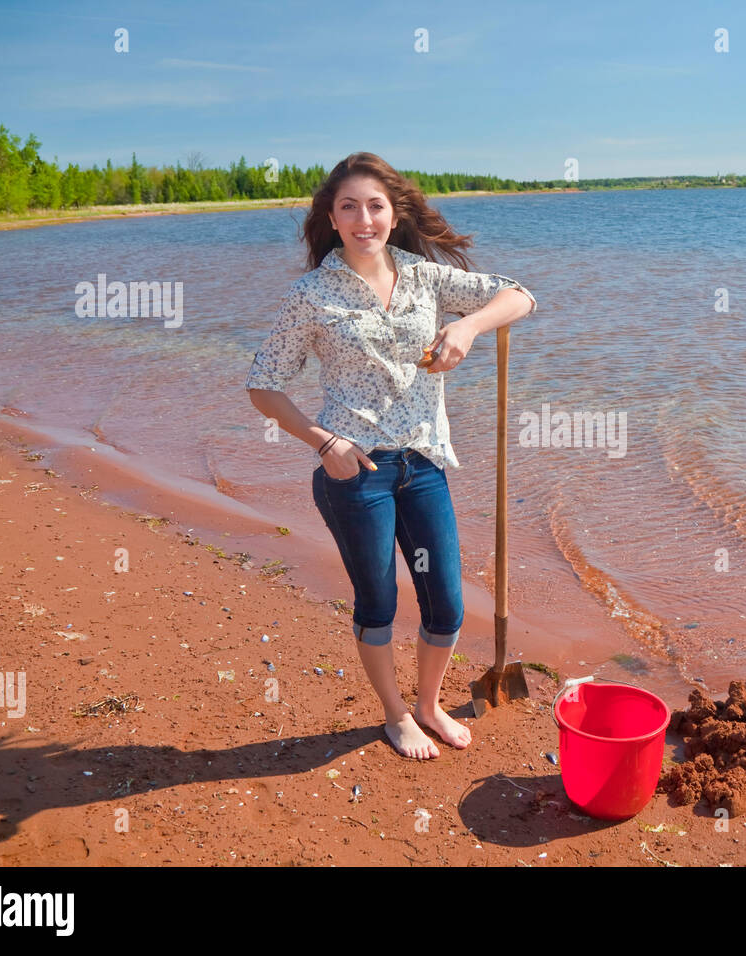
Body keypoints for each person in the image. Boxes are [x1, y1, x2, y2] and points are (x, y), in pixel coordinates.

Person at [245, 152, 537, 759]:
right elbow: (264, 384)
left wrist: (467, 329)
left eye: (374, 205)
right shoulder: (312, 294)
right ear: (331, 217)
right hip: (355, 473)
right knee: (378, 601)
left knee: (446, 603)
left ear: (393, 212)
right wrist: (324, 441)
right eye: (348, 206)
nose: (363, 218)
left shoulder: (425, 278)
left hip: (423, 465)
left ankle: (428, 703)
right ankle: (395, 712)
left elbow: (520, 297)